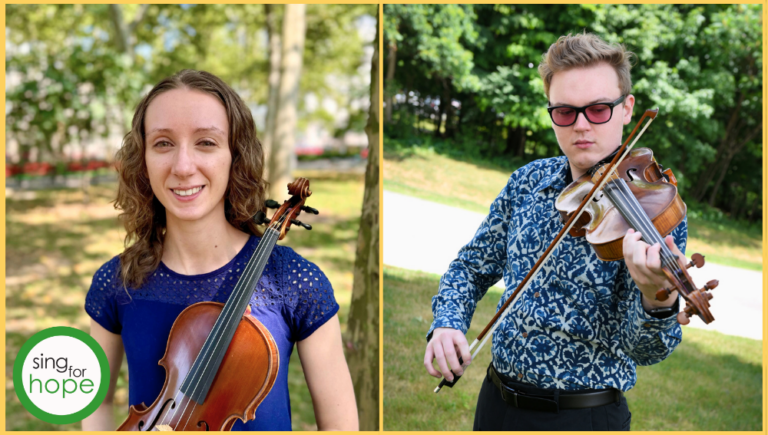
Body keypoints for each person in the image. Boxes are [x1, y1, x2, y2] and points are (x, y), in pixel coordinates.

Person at [423, 33, 688, 431]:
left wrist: (656, 299)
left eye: (598, 109)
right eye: (565, 112)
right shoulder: (528, 181)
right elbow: (471, 266)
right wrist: (447, 322)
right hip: (497, 405)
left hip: (585, 417)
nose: (581, 125)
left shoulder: (655, 209)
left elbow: (647, 351)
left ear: (627, 109)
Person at [82, 70, 358, 431]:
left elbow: (340, 426)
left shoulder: (292, 280)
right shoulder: (117, 281)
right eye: (163, 143)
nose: (183, 167)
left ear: (235, 156)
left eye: (206, 142)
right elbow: (96, 403)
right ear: (143, 159)